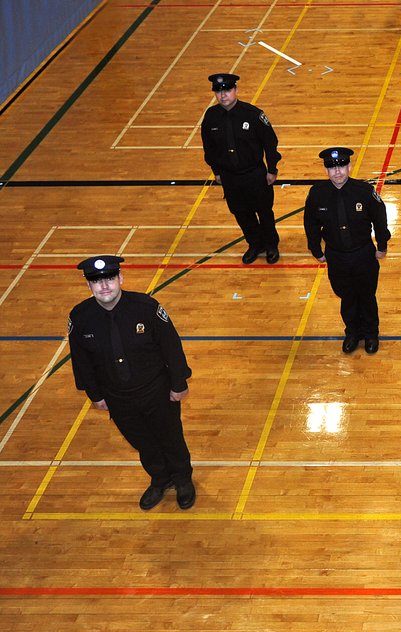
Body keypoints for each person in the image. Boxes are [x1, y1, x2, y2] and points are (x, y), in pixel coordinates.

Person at [67, 256, 195, 511]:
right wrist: (95, 394)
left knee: (171, 438)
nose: (104, 286)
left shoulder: (145, 308)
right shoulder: (80, 318)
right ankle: (160, 479)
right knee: (143, 442)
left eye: (109, 279)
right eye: (96, 281)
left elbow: (171, 346)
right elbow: (81, 360)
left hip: (157, 392)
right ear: (89, 286)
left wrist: (178, 383)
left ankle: (183, 480)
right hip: (118, 398)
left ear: (120, 279)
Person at [303, 147, 391, 354]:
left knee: (367, 296)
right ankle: (352, 333)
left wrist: (382, 245)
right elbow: (311, 224)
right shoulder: (317, 194)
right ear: (326, 171)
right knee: (347, 296)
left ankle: (371, 334)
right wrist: (316, 250)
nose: (338, 172)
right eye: (332, 168)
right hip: (336, 256)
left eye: (342, 166)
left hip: (363, 254)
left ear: (349, 166)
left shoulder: (364, 191)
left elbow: (380, 218)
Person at [200, 73, 282, 265]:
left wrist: (272, 169)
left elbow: (270, 143)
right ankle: (255, 244)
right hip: (230, 177)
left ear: (235, 90)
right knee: (241, 213)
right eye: (219, 92)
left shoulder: (253, 115)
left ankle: (271, 245)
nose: (223, 96)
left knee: (264, 211)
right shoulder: (211, 117)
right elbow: (208, 147)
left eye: (227, 90)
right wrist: (216, 171)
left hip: (254, 174)